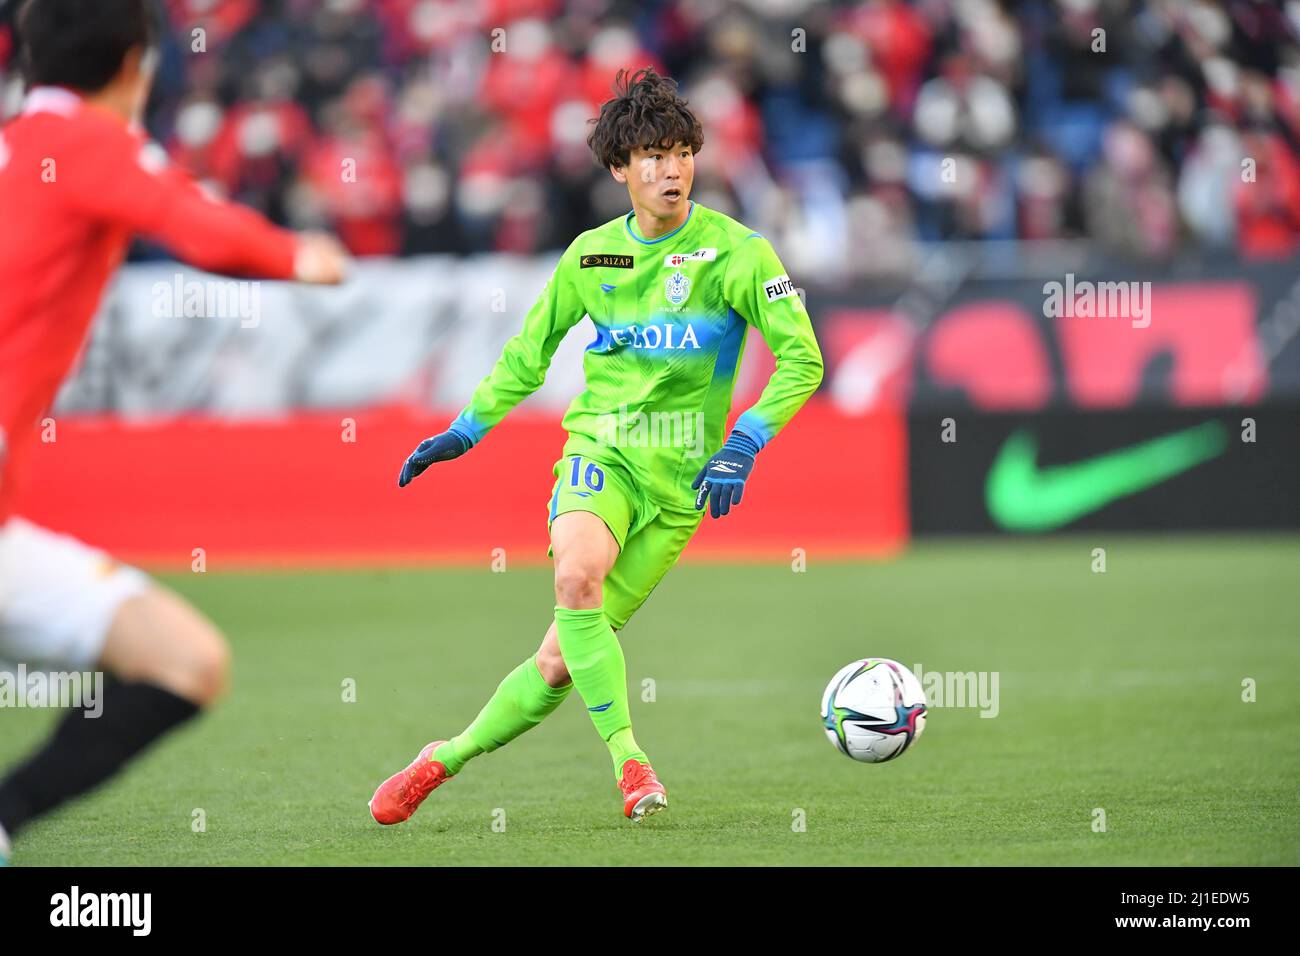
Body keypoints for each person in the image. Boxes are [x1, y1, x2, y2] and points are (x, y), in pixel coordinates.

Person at [370, 67, 822, 824]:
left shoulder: (739, 254)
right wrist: (465, 429)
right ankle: (631, 764)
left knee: (556, 662)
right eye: (652, 155)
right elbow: (528, 355)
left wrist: (745, 441)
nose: (671, 169)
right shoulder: (590, 258)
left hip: (682, 486)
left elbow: (802, 357)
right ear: (620, 169)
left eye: (681, 152)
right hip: (601, 453)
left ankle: (441, 757)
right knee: (576, 577)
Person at [0, 0, 350, 863]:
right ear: (135, 64)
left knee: (184, 661)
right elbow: (193, 222)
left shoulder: (23, 149)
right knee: (183, 665)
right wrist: (297, 255)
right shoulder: (85, 145)